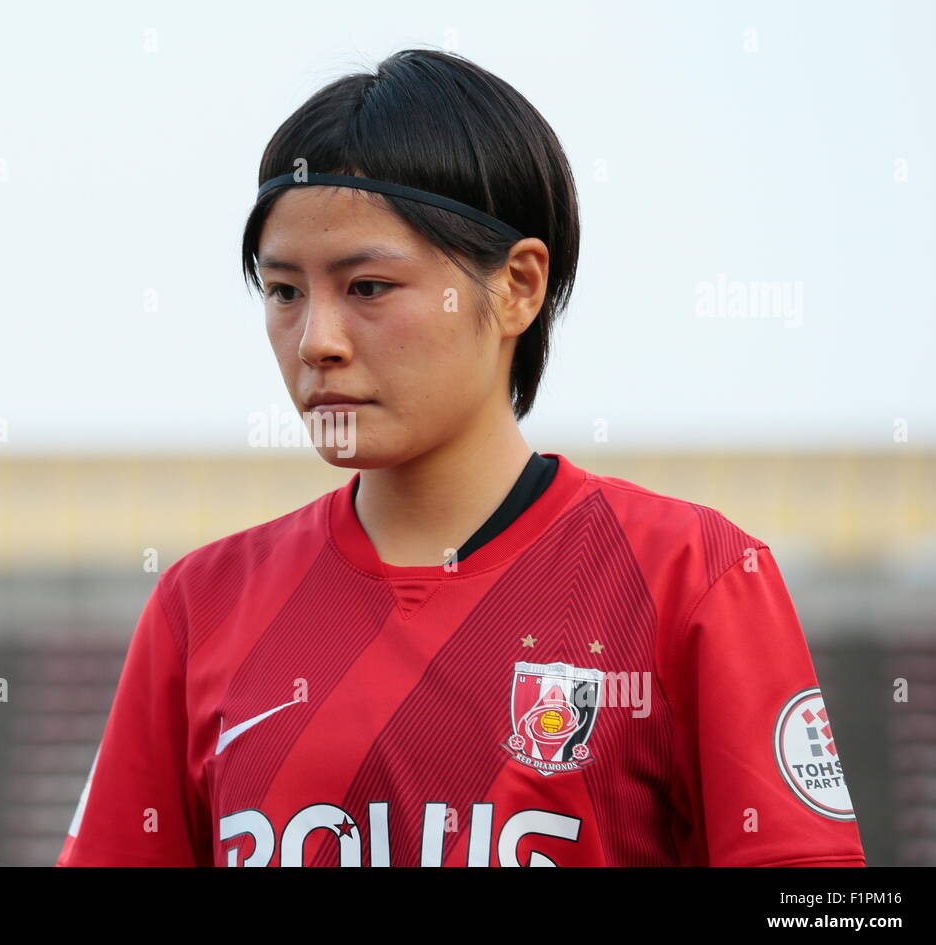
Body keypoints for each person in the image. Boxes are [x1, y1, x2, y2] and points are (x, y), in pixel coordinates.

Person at [57, 48, 865, 866]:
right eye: (284, 291)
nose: (317, 341)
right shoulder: (199, 608)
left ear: (517, 285)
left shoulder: (694, 578)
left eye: (367, 287)